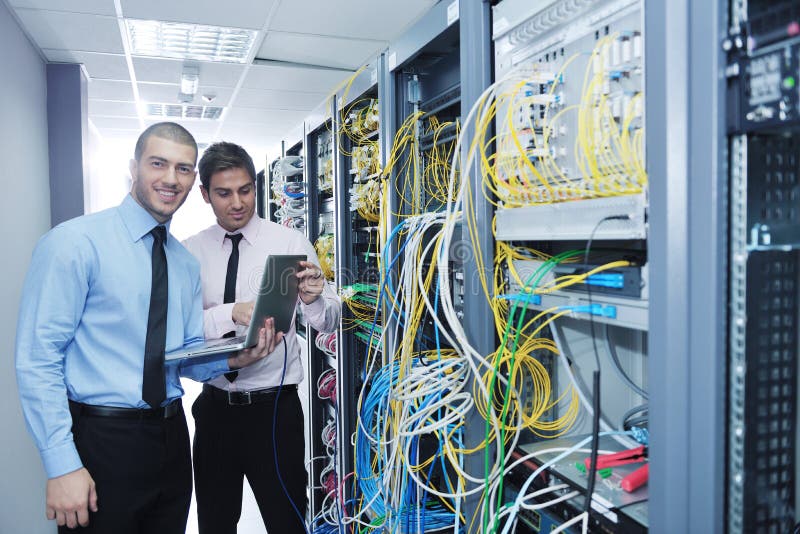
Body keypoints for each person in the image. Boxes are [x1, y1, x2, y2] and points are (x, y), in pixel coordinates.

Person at [15, 123, 282, 534]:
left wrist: (232, 357)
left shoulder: (183, 262)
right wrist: (62, 463)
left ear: (194, 182)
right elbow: (38, 358)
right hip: (102, 439)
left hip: (172, 439)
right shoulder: (75, 243)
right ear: (133, 168)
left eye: (183, 168)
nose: (171, 178)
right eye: (159, 164)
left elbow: (180, 354)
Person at [183, 141, 341, 534]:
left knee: (286, 521)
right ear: (204, 194)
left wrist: (317, 297)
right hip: (215, 410)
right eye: (223, 193)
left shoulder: (288, 243)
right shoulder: (189, 253)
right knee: (215, 523)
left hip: (275, 412)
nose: (237, 202)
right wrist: (228, 313)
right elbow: (181, 332)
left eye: (246, 189)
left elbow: (328, 323)